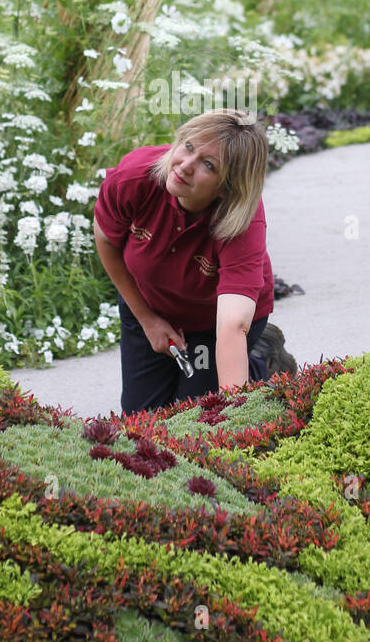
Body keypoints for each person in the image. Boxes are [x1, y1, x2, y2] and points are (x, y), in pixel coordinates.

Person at [93, 109, 276, 414]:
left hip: (212, 325)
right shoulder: (136, 176)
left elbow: (232, 324)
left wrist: (233, 417)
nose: (185, 166)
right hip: (148, 305)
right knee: (142, 421)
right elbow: (106, 241)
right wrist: (148, 321)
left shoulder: (241, 220)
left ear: (227, 186)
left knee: (201, 412)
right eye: (189, 147)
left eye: (208, 165)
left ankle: (260, 366)